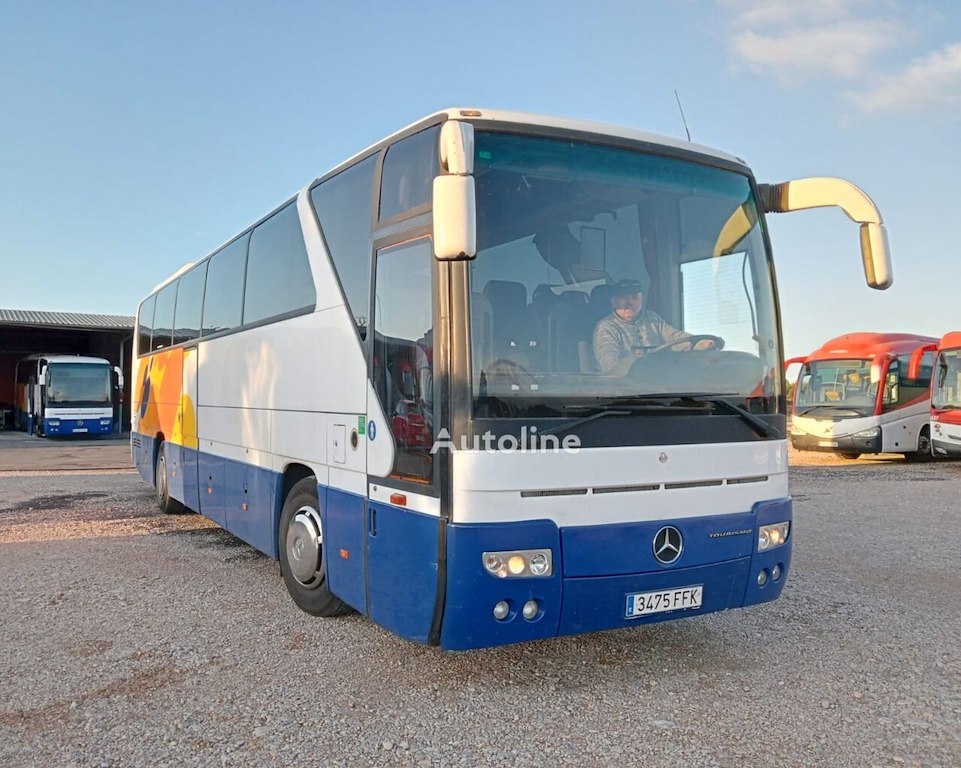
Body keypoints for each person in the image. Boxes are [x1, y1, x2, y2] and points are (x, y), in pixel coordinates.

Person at [592, 279, 716, 375]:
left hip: (658, 384)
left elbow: (675, 338)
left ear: (641, 299)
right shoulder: (606, 327)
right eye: (624, 298)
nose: (630, 303)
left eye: (634, 297)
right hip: (623, 393)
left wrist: (702, 344)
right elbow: (611, 368)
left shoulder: (652, 319)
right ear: (614, 302)